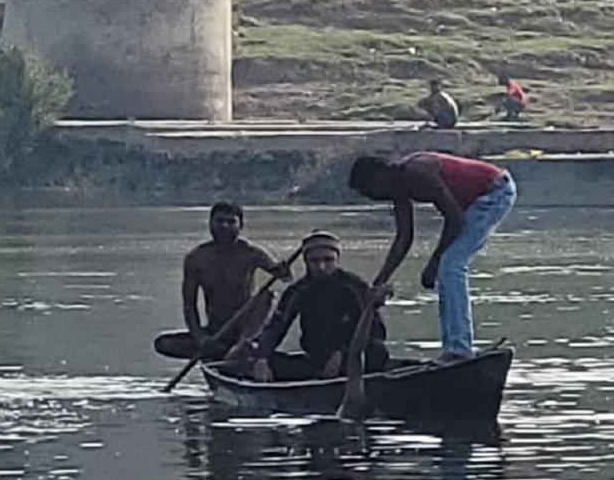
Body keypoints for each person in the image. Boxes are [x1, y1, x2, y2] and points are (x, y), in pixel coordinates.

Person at [348, 152, 516, 362]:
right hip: (471, 200)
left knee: (451, 266)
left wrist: (433, 263)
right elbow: (404, 237)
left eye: (370, 191)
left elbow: (455, 219)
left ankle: (459, 349)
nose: (374, 198)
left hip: (494, 192)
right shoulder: (398, 188)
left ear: (380, 177)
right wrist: (380, 280)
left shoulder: (418, 173)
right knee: (448, 267)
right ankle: (454, 347)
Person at [228, 231, 389, 381]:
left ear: (337, 260)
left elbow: (376, 331)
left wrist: (343, 353)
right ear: (306, 262)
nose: (321, 267)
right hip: (317, 359)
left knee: (377, 351)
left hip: (353, 356)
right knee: (253, 360)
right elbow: (276, 328)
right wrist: (261, 357)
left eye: (328, 260)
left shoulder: (355, 287)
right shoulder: (298, 291)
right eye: (315, 261)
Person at [154, 202, 290, 362]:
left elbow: (285, 278)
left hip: (245, 329)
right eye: (219, 221)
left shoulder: (251, 253)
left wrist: (283, 270)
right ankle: (225, 352)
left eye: (231, 222)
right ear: (210, 223)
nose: (224, 226)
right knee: (162, 343)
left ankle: (241, 346)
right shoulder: (197, 258)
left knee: (267, 296)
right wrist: (200, 338)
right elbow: (189, 306)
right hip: (216, 331)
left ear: (240, 225)